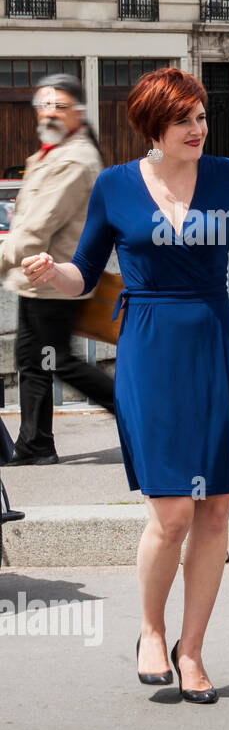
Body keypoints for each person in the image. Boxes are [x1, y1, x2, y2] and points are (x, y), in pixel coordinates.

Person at [21, 67, 229, 703]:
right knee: (171, 512)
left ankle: (192, 651)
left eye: (201, 117)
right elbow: (84, 274)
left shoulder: (227, 178)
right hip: (149, 345)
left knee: (217, 508)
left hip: (213, 342)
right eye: (185, 120)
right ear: (154, 126)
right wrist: (48, 271)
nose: (198, 129)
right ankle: (150, 629)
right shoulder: (114, 186)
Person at [0, 74, 115, 465]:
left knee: (55, 359)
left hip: (54, 278)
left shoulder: (73, 160)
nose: (49, 112)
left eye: (59, 105)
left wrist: (2, 256)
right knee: (33, 361)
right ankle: (35, 444)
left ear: (78, 113)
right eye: (44, 105)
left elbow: (37, 227)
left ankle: (137, 414)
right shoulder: (54, 152)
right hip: (37, 279)